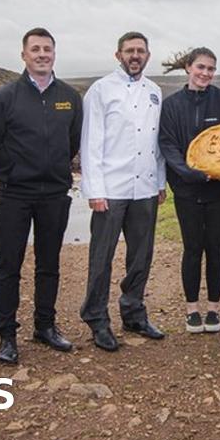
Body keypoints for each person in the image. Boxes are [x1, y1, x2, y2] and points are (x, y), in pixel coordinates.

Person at [0, 27, 82, 365]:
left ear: (54, 53)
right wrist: (10, 173)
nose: (42, 54)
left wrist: (53, 172)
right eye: (35, 49)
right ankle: (7, 335)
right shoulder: (5, 97)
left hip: (54, 194)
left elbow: (73, 142)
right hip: (15, 195)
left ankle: (45, 326)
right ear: (23, 54)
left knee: (48, 264)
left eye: (47, 49)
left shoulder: (69, 96)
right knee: (9, 265)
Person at [79, 31, 167, 352]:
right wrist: (94, 189)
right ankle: (97, 318)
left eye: (140, 51)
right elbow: (90, 143)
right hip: (111, 189)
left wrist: (159, 182)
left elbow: (156, 144)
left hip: (144, 188)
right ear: (118, 55)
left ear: (147, 55)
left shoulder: (155, 91)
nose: (135, 55)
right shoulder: (101, 90)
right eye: (129, 50)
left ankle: (133, 311)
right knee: (101, 257)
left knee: (141, 255)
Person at [158, 47, 220, 334]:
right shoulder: (171, 106)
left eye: (210, 69)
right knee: (192, 248)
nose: (205, 73)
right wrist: (187, 173)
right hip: (186, 191)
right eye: (201, 67)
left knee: (215, 248)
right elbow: (167, 144)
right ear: (188, 68)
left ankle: (214, 310)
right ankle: (192, 309)